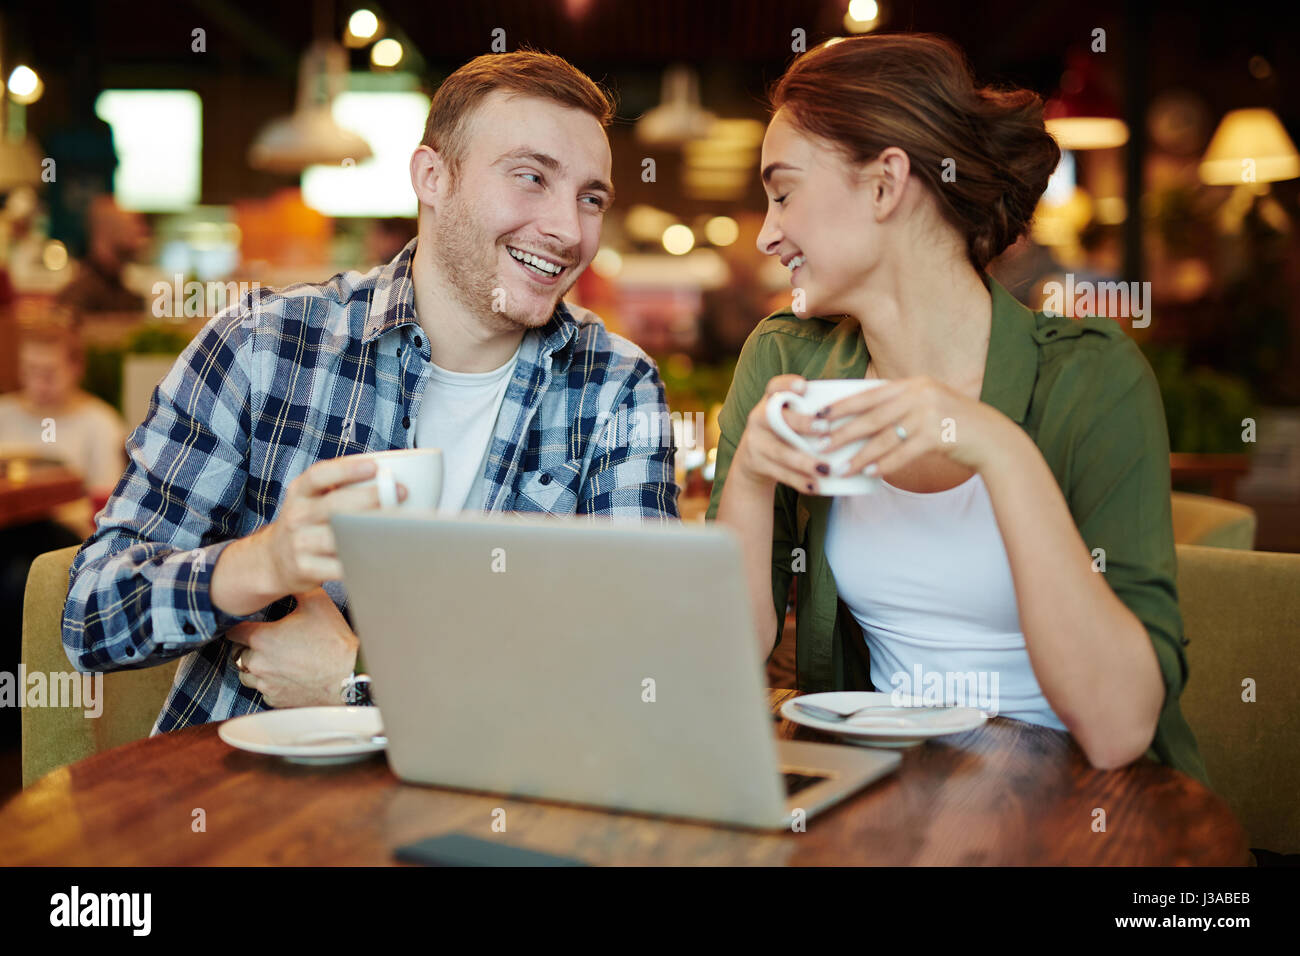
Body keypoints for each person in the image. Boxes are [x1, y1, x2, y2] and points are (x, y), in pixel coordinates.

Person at [64, 50, 679, 733]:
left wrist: (359, 679)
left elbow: (638, 673)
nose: (568, 229)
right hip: (235, 808)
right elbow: (92, 617)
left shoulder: (616, 389)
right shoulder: (262, 347)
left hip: (482, 811)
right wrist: (262, 562)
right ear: (432, 178)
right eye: (532, 177)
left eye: (591, 198)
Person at [707, 34, 1206, 783]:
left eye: (783, 192)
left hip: (1093, 807)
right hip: (883, 796)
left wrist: (998, 449)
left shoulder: (1090, 377)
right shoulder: (786, 359)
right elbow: (719, 669)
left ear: (885, 185)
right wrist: (749, 478)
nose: (767, 232)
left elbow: (1117, 728)